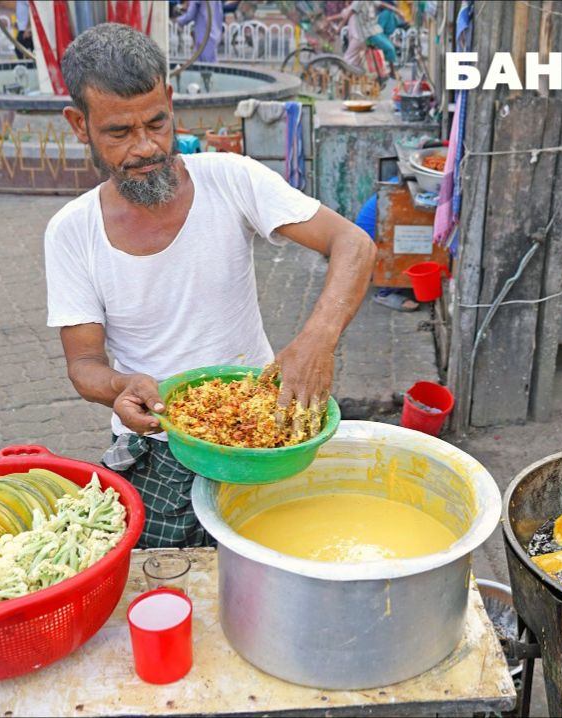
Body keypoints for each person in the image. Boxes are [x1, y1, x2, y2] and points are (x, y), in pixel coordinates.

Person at [47, 24, 376, 548]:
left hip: (261, 425)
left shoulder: (232, 178)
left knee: (273, 571)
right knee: (166, 585)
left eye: (157, 122)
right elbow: (84, 365)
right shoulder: (72, 232)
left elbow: (353, 245)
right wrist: (119, 387)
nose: (146, 147)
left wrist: (317, 339)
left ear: (172, 103)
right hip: (159, 441)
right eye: (118, 133)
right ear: (78, 125)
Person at [331, 1, 398, 77]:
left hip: (358, 36)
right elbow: (344, 15)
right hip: (361, 36)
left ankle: (342, 78)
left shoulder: (358, 4)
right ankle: (351, 78)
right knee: (355, 60)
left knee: (348, 59)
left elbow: (345, 15)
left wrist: (338, 27)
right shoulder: (358, 5)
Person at [175, 0, 224, 64]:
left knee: (204, 65)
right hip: (215, 32)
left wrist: (178, 20)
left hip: (203, 33)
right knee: (211, 63)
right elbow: (220, 13)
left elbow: (190, 15)